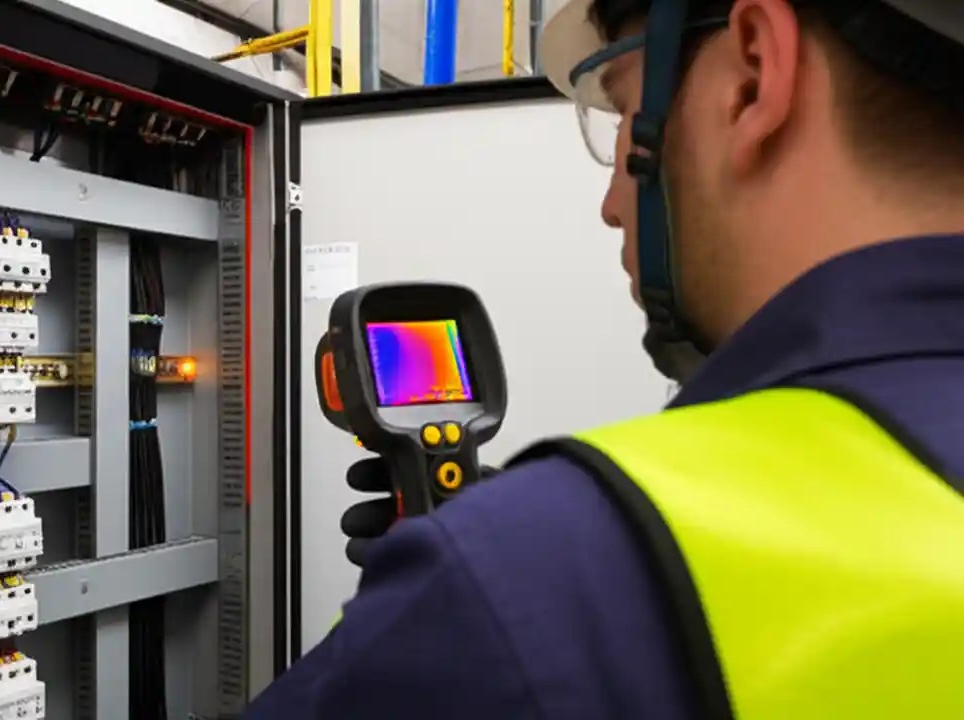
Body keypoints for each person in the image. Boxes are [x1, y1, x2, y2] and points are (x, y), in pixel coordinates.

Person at [246, 0, 964, 717]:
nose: (613, 204)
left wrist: (423, 609)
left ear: (751, 76)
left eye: (622, 112)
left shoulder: (522, 583)